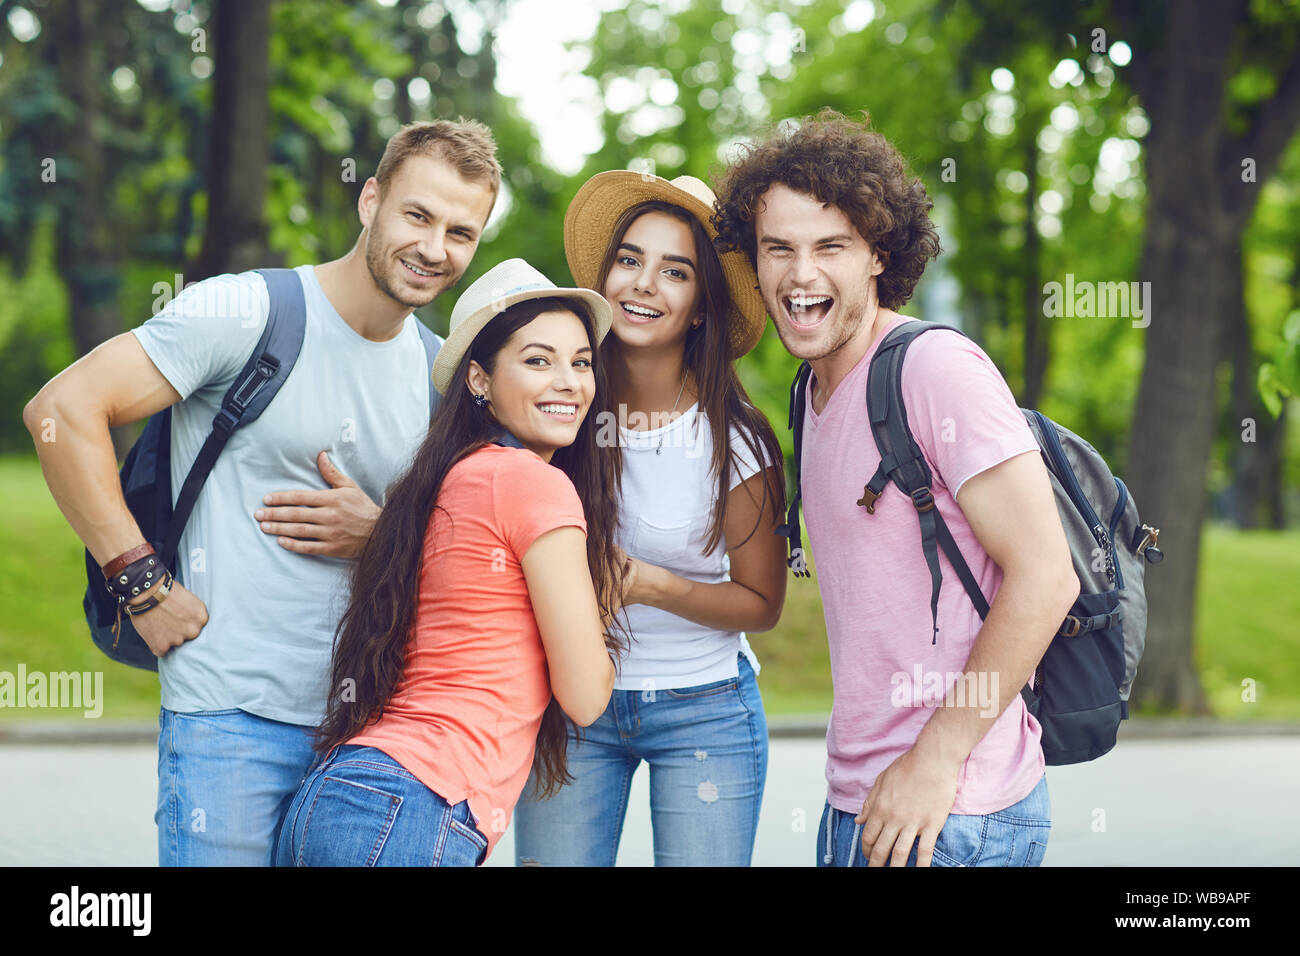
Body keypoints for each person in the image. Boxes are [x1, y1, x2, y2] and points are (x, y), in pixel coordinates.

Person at [22, 119, 501, 866]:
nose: (436, 248)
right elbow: (60, 411)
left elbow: (470, 563)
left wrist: (381, 535)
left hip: (371, 740)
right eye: (418, 215)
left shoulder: (440, 378)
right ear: (370, 200)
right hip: (230, 721)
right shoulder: (251, 312)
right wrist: (140, 583)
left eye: (461, 233)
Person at [712, 109, 1080, 867]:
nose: (800, 274)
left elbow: (1047, 576)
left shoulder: (934, 371)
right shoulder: (809, 395)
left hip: (948, 808)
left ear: (878, 255)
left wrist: (935, 760)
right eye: (777, 248)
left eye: (830, 248)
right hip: (863, 801)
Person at [274, 258, 623, 866]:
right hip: (413, 804)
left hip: (341, 795)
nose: (569, 381)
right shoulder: (533, 484)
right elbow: (587, 696)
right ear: (479, 380)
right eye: (538, 360)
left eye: (581, 361)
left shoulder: (447, 478)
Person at [512, 171, 787, 867]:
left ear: (699, 307)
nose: (643, 284)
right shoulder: (557, 405)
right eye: (629, 260)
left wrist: (646, 584)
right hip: (573, 705)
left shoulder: (736, 438)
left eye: (675, 272)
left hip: (705, 709)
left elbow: (761, 603)